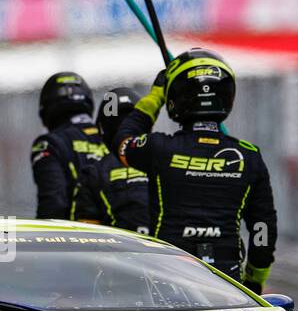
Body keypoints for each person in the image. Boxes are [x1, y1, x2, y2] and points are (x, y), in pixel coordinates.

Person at [115, 48, 278, 293]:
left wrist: (155, 96)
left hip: (166, 271)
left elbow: (123, 141)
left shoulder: (159, 148)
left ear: (176, 98)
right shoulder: (249, 155)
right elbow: (263, 227)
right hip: (227, 279)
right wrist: (254, 282)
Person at [29, 72, 108, 223]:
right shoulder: (114, 139)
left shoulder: (48, 144)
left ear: (46, 109)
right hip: (129, 239)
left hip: (81, 239)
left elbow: (53, 204)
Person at [81, 86, 150, 235]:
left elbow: (85, 235)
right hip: (168, 253)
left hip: (118, 254)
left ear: (102, 127)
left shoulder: (94, 172)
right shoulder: (165, 158)